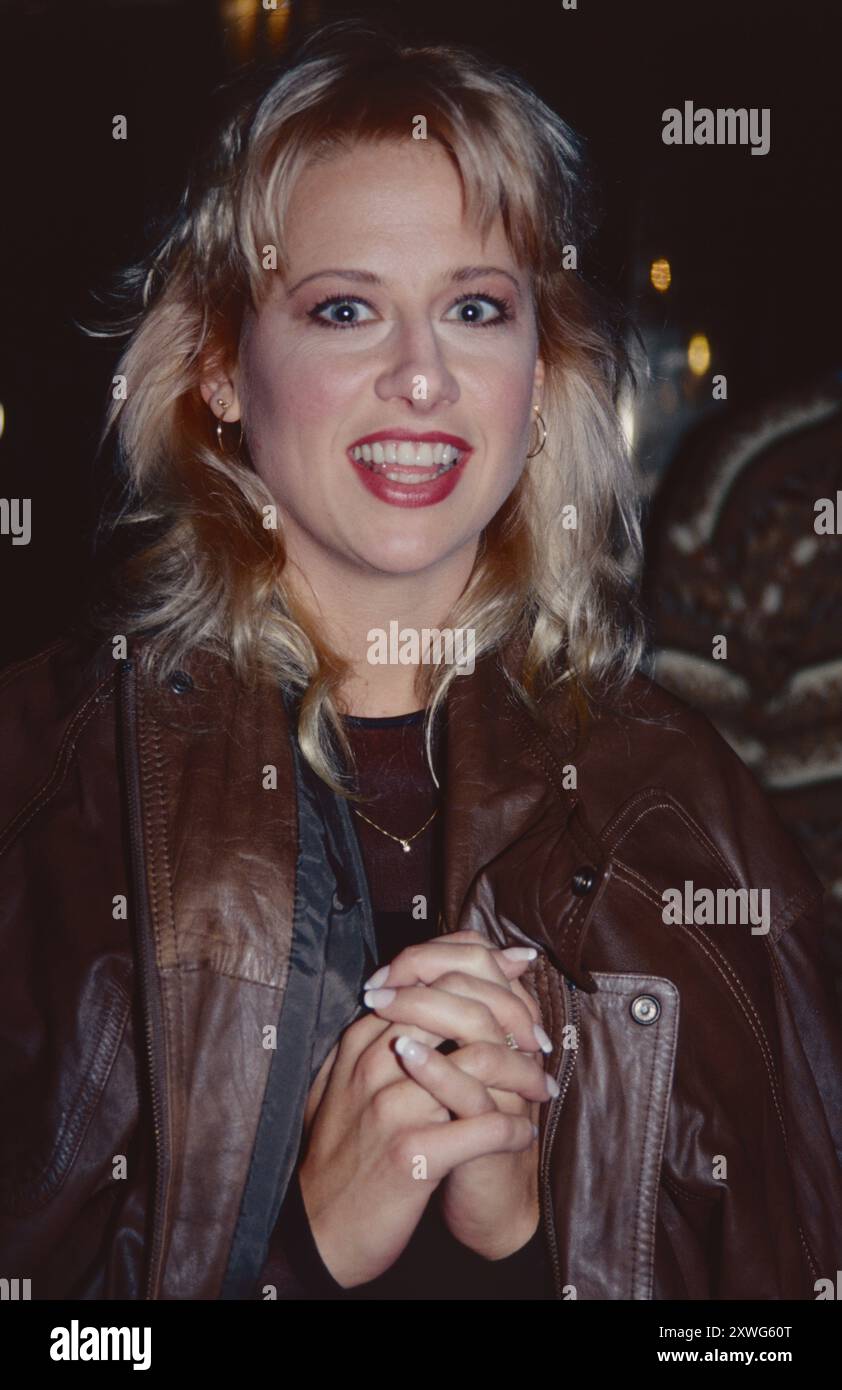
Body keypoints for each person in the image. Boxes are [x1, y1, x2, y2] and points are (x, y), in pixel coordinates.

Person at [1, 19, 841, 1302]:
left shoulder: (686, 809)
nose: (418, 375)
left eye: (472, 308)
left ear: (539, 371)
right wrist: (299, 1251)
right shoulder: (43, 783)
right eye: (345, 309)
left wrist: (530, 1237)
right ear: (222, 367)